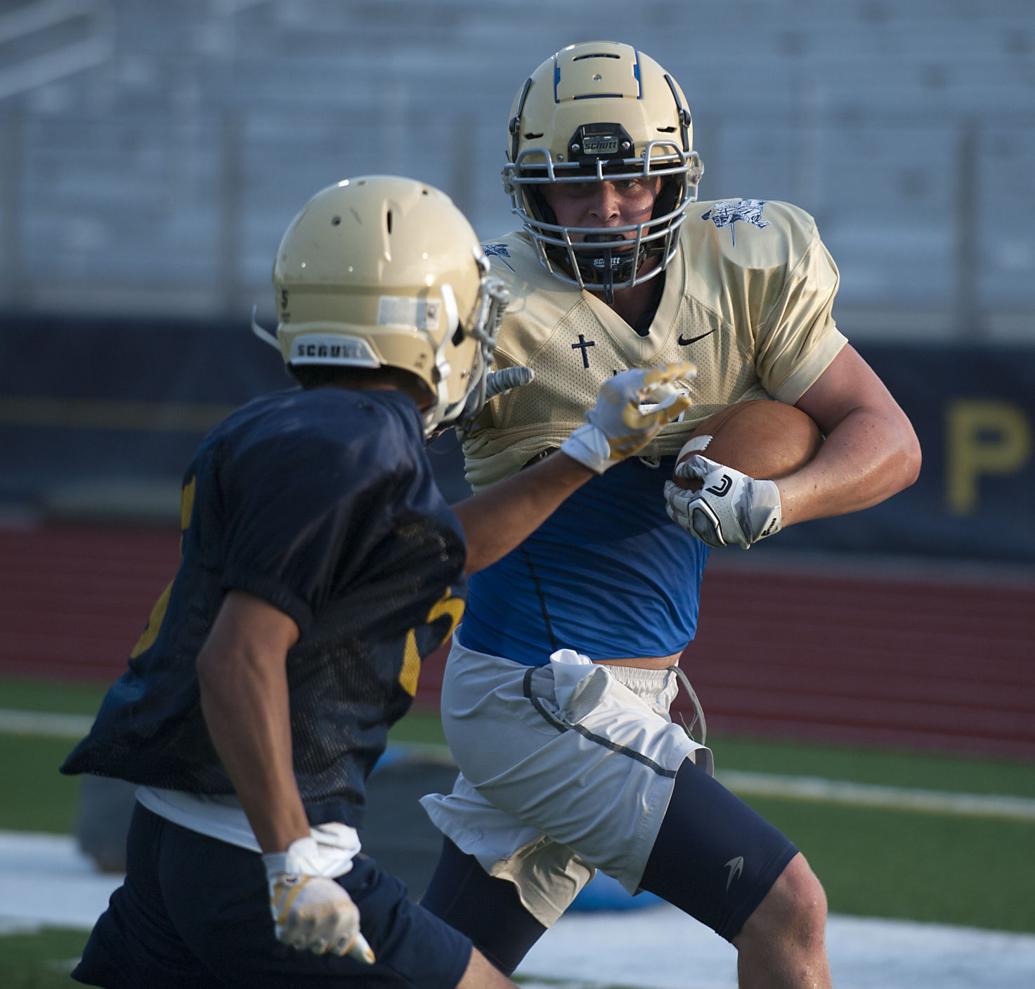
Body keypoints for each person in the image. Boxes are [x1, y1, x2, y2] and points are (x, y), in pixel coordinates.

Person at [59, 174, 692, 989]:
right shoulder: (350, 445)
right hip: (260, 844)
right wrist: (293, 861)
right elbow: (238, 657)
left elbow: (432, 555)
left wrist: (587, 450)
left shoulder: (292, 424)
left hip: (176, 835)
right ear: (432, 319)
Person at [418, 42, 922, 988]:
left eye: (633, 181)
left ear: (675, 178)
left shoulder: (743, 267)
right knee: (788, 908)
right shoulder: (493, 309)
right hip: (542, 693)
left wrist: (774, 499)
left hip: (593, 690)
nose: (609, 209)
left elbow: (888, 437)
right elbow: (385, 472)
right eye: (577, 186)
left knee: (454, 968)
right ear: (531, 190)